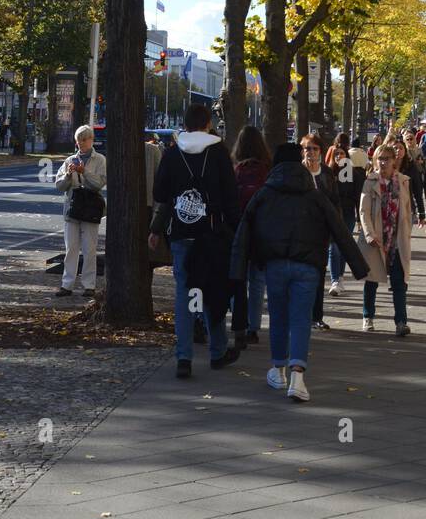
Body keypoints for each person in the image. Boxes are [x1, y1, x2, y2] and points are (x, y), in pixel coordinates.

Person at [230, 144, 368, 402]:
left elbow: (245, 229)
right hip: (308, 266)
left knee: (279, 316)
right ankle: (298, 378)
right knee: (301, 319)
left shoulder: (265, 194)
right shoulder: (315, 195)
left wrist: (237, 269)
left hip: (275, 265)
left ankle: (278, 371)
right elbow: (339, 229)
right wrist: (359, 267)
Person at [149, 103, 242, 378]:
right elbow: (230, 197)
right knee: (213, 292)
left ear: (185, 124)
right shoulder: (219, 152)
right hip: (212, 234)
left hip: (181, 232)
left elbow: (161, 193)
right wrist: (237, 231)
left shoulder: (173, 152)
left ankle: (184, 357)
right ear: (208, 124)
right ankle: (218, 350)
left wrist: (156, 228)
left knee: (185, 294)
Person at [359, 143, 413, 336]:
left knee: (399, 282)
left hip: (397, 239)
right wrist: (369, 235)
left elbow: (407, 209)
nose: (383, 162)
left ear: (394, 161)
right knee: (372, 280)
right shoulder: (370, 181)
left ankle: (401, 322)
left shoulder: (403, 181)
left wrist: (407, 231)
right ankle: (368, 317)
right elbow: (363, 211)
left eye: (387, 159)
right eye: (379, 159)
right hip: (376, 238)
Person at [54, 125, 107, 299]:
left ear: (91, 140)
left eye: (85, 139)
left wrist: (85, 172)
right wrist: (68, 176)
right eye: (79, 140)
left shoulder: (99, 160)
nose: (81, 143)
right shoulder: (70, 160)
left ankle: (89, 285)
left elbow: (98, 184)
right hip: (73, 206)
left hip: (90, 208)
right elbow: (59, 185)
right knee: (71, 248)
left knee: (89, 248)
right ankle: (67, 284)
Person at [233, 125, 271, 344]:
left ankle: (237, 321)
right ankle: (254, 327)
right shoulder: (266, 170)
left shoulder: (236, 170)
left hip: (239, 230)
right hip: (261, 231)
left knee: (238, 278)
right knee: (257, 281)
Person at [300, 134, 340, 329]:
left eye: (315, 148)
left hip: (320, 233)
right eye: (308, 148)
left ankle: (317, 316)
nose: (311, 152)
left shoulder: (326, 173)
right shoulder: (297, 172)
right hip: (300, 232)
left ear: (321, 152)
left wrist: (335, 228)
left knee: (318, 274)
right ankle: (301, 315)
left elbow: (334, 201)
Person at [327, 138, 361, 296]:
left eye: (341, 154)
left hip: (347, 214)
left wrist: (360, 218)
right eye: (336, 154)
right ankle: (335, 280)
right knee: (334, 246)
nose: (339, 157)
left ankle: (339, 276)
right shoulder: (328, 173)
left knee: (343, 246)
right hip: (332, 214)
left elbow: (357, 196)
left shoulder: (352, 173)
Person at [392, 138, 425, 225]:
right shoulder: (387, 167)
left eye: (401, 148)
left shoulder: (411, 167)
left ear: (405, 151)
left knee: (404, 238)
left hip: (407, 208)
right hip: (389, 209)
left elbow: (418, 191)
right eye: (395, 148)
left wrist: (421, 213)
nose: (398, 150)